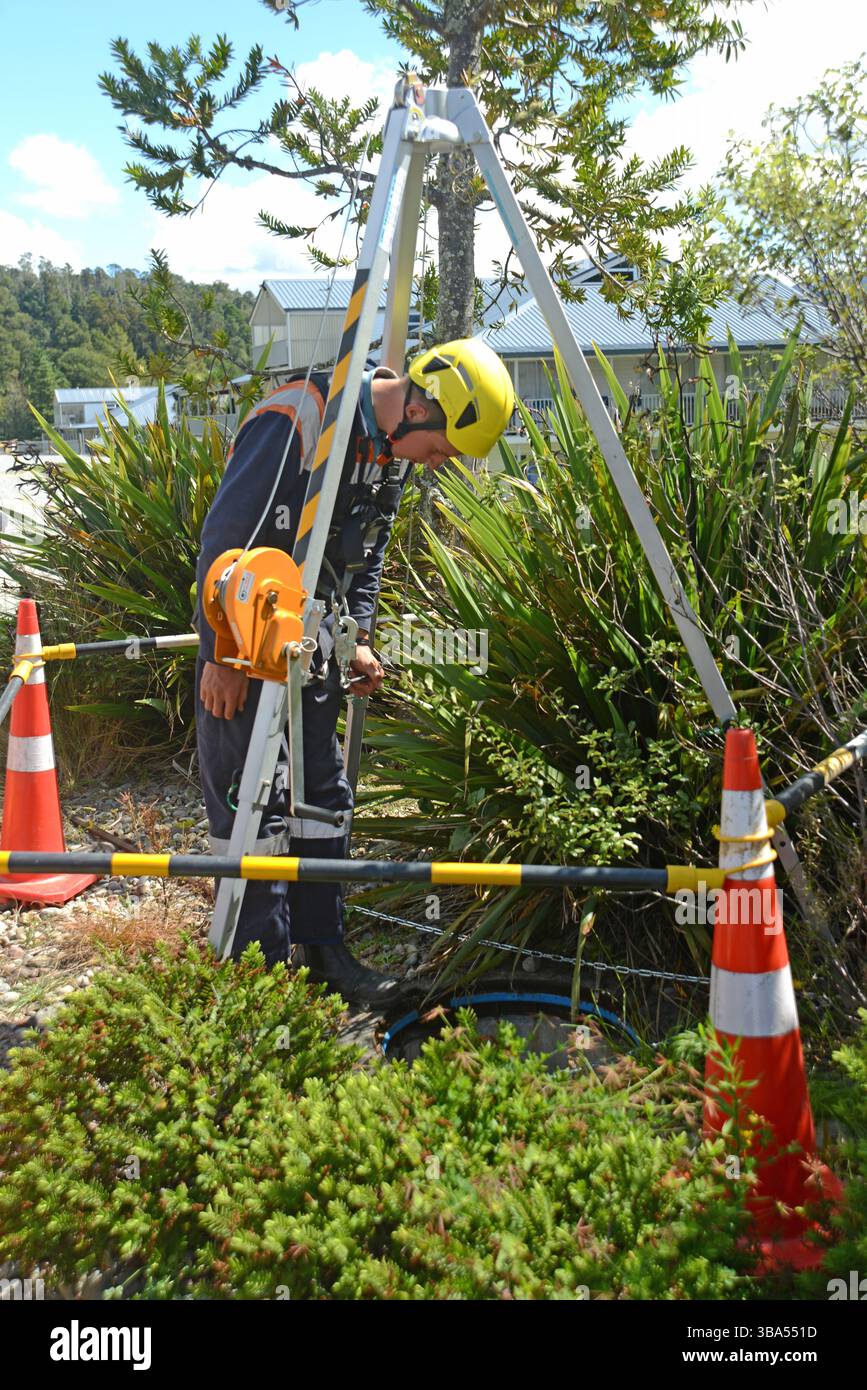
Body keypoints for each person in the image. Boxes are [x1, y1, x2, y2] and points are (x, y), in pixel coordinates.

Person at [194, 338, 514, 1005]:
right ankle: (256, 977)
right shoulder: (299, 420)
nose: (434, 465)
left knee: (322, 797)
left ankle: (323, 953)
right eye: (438, 451)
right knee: (255, 805)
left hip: (312, 652)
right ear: (421, 408)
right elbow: (223, 545)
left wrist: (358, 639)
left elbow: (364, 555)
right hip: (246, 649)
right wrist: (221, 654)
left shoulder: (389, 450)